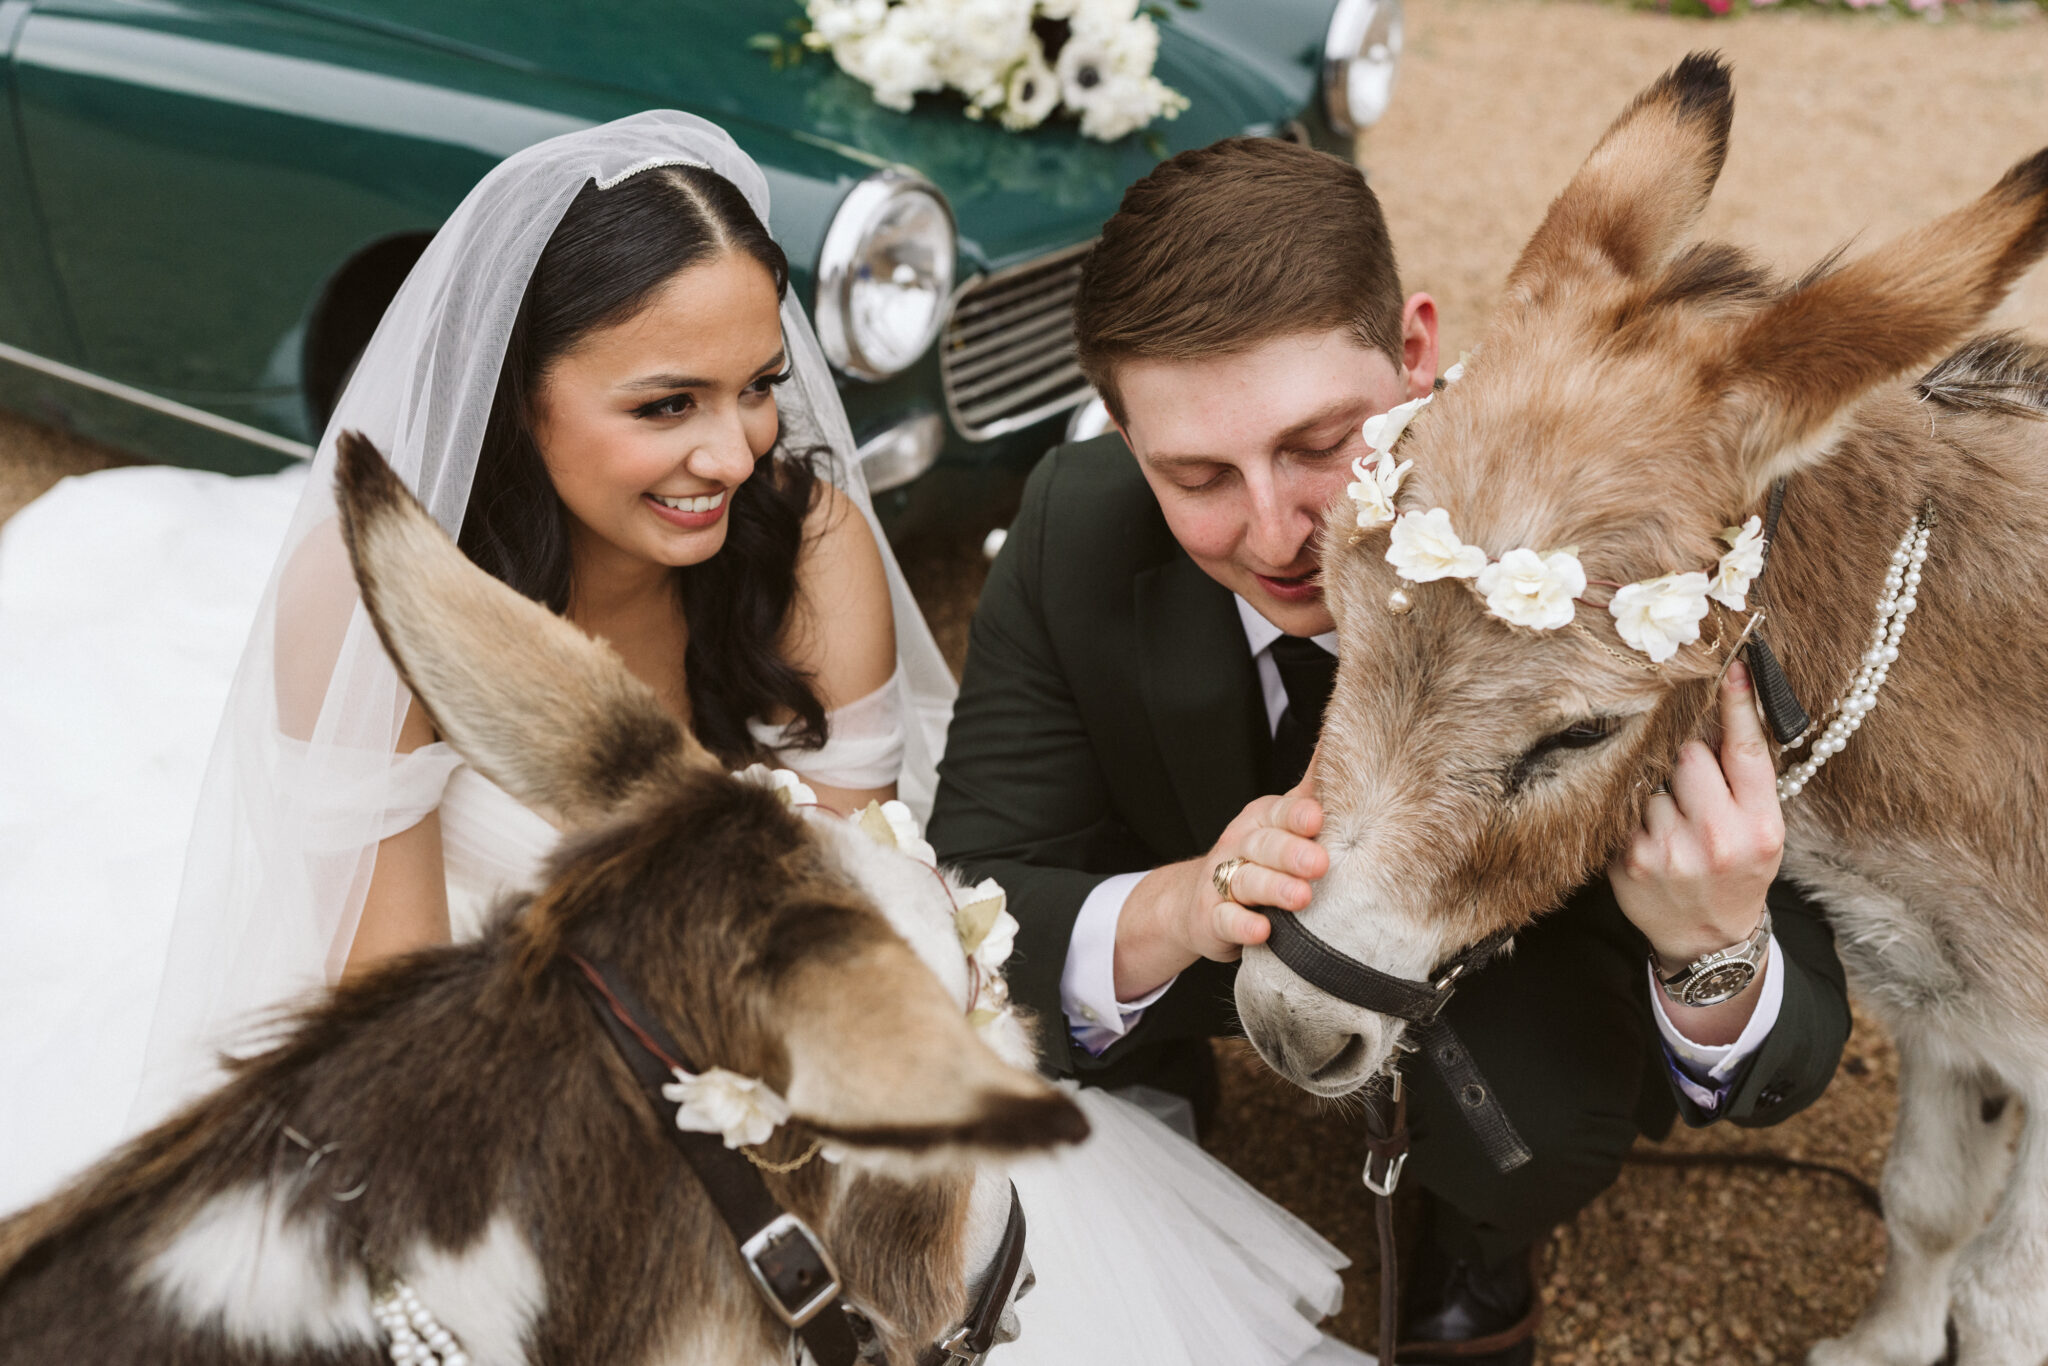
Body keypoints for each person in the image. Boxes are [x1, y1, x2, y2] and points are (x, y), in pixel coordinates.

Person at [0, 113, 1372, 1365]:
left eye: (758, 385)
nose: (732, 451)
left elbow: (862, 890)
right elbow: (414, 996)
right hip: (519, 1084)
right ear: (516, 395)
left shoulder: (808, 542)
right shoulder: (370, 616)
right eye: (667, 404)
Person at [928, 136, 1853, 1366]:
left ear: (1417, 351)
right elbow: (969, 890)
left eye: (1319, 444)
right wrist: (1180, 906)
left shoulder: (1622, 540)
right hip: (1216, 941)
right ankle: (1160, 1061)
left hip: (1500, 975)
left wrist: (1715, 941)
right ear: (1118, 431)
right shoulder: (1072, 521)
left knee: (1540, 1133)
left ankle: (1473, 1226)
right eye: (1195, 471)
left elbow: (1794, 1044)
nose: (1276, 531)